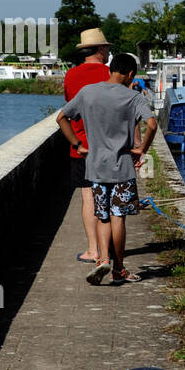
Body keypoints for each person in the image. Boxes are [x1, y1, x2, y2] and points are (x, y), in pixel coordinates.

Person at [57, 52, 158, 285]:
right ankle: (119, 269)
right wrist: (142, 148)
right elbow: (151, 124)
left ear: (111, 68)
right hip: (122, 167)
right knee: (118, 217)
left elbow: (62, 117)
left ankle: (102, 259)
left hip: (95, 167)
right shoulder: (133, 97)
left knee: (102, 217)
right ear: (130, 74)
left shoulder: (88, 92)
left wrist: (77, 145)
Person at [64, 28, 112, 264]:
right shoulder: (112, 73)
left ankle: (93, 250)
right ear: (101, 49)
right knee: (111, 196)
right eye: (107, 47)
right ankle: (108, 250)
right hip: (110, 146)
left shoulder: (71, 75)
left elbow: (68, 110)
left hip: (82, 146)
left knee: (88, 197)